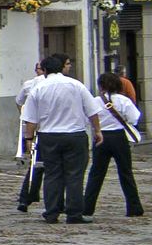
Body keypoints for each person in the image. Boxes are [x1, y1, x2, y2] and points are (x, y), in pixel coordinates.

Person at [23, 54, 104, 225]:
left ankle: (52, 212)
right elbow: (92, 111)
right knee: (75, 175)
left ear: (44, 70)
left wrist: (28, 139)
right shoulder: (76, 85)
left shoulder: (38, 88)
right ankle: (74, 213)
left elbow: (30, 119)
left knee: (52, 175)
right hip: (75, 135)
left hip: (49, 136)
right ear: (61, 68)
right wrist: (98, 130)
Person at [85, 72, 144, 219]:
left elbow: (88, 119)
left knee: (96, 174)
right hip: (119, 137)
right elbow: (134, 118)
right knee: (126, 172)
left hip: (101, 137)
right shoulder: (123, 100)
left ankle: (87, 207)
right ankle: (134, 207)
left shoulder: (95, 101)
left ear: (101, 85)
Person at [16, 62, 48, 211]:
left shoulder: (29, 84)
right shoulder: (48, 85)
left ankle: (26, 197)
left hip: (35, 127)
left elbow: (19, 102)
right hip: (49, 130)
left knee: (36, 166)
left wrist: (25, 118)